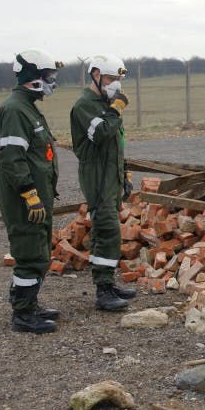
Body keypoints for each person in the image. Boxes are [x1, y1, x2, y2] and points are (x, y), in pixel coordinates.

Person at [0, 49, 63, 333]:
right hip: (24, 197)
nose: (52, 82)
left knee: (38, 249)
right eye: (48, 76)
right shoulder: (14, 109)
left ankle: (30, 304)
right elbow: (12, 158)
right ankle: (22, 314)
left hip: (36, 193)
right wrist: (29, 193)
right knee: (29, 251)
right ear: (32, 77)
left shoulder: (29, 106)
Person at [70, 55, 136, 311]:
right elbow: (100, 134)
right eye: (110, 79)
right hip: (97, 177)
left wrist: (125, 173)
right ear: (96, 75)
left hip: (111, 175)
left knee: (108, 229)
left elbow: (116, 143)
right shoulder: (85, 105)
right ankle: (102, 290)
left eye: (118, 79)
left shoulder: (106, 104)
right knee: (106, 229)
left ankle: (108, 282)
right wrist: (116, 108)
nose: (115, 85)